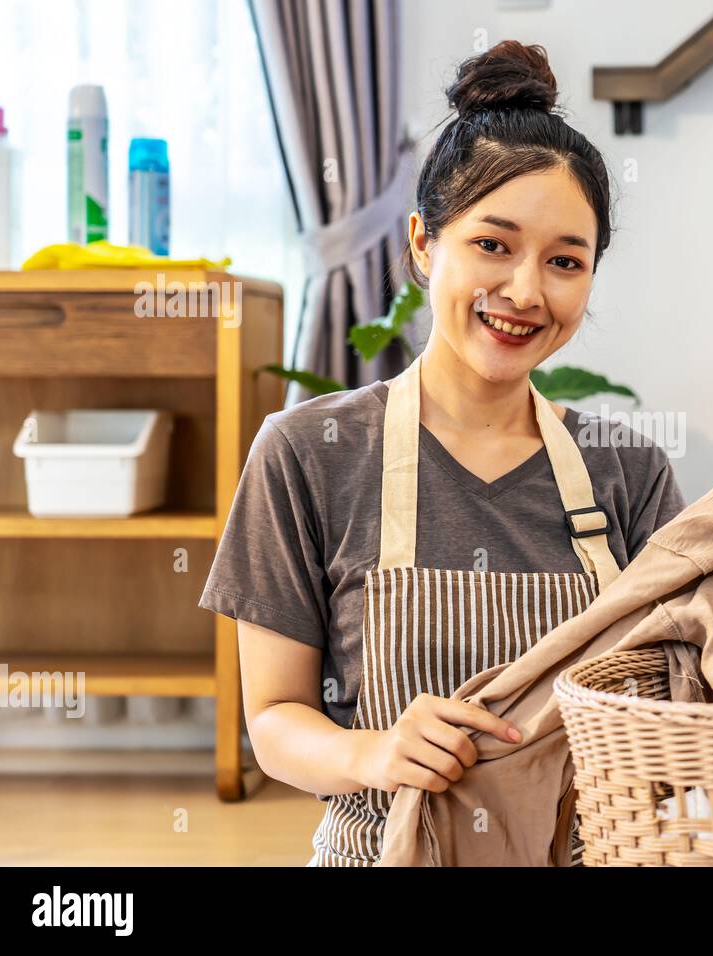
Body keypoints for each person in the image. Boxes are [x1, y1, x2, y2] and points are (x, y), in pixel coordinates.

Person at [198, 40, 686, 866]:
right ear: (425, 244)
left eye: (565, 261)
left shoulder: (629, 473)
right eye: (493, 245)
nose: (527, 291)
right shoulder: (307, 455)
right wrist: (376, 752)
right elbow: (274, 719)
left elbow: (675, 705)